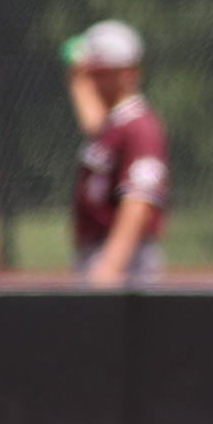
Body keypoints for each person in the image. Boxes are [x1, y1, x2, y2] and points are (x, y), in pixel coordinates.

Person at [65, 19, 169, 287]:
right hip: (100, 251)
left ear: (128, 73)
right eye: (90, 74)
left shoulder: (140, 128)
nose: (92, 82)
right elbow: (92, 122)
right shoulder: (112, 124)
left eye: (102, 74)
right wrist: (76, 78)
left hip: (125, 261)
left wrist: (108, 269)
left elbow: (138, 204)